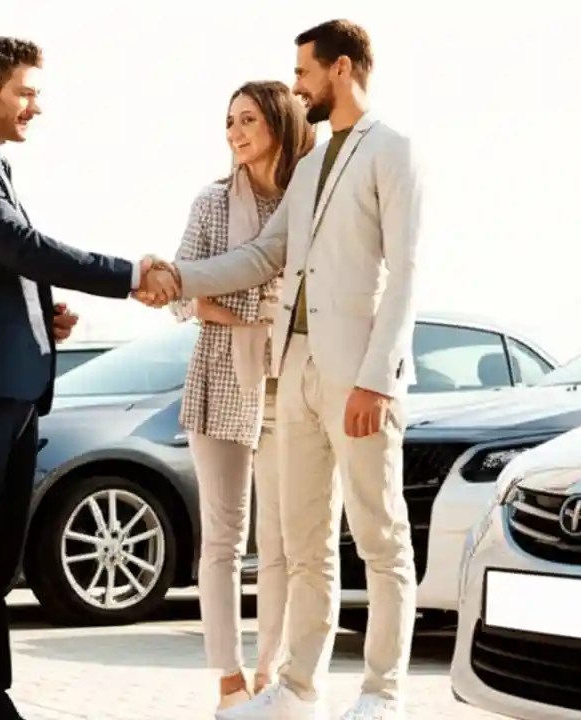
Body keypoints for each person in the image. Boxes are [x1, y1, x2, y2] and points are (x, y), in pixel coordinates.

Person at [136, 19, 423, 720]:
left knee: (381, 538)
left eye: (304, 74)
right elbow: (264, 254)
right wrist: (178, 277)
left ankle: (384, 693)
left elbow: (408, 268)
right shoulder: (314, 163)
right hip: (292, 376)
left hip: (357, 376)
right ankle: (296, 690)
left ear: (343, 69)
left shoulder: (393, 150)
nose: (297, 87)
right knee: (302, 545)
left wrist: (378, 378)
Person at [0, 35, 156, 720]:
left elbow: (0, 268)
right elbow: (21, 246)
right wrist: (129, 277)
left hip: (10, 387)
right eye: (26, 93)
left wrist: (46, 318)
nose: (35, 108)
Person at [168, 80, 314, 712]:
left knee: (281, 541)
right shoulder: (211, 203)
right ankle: (227, 680)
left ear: (279, 123)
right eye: (229, 120)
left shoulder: (308, 201)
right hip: (220, 376)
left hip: (293, 377)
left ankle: (270, 674)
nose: (235, 131)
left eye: (248, 119)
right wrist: (260, 311)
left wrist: (239, 306)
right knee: (225, 539)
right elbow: (182, 293)